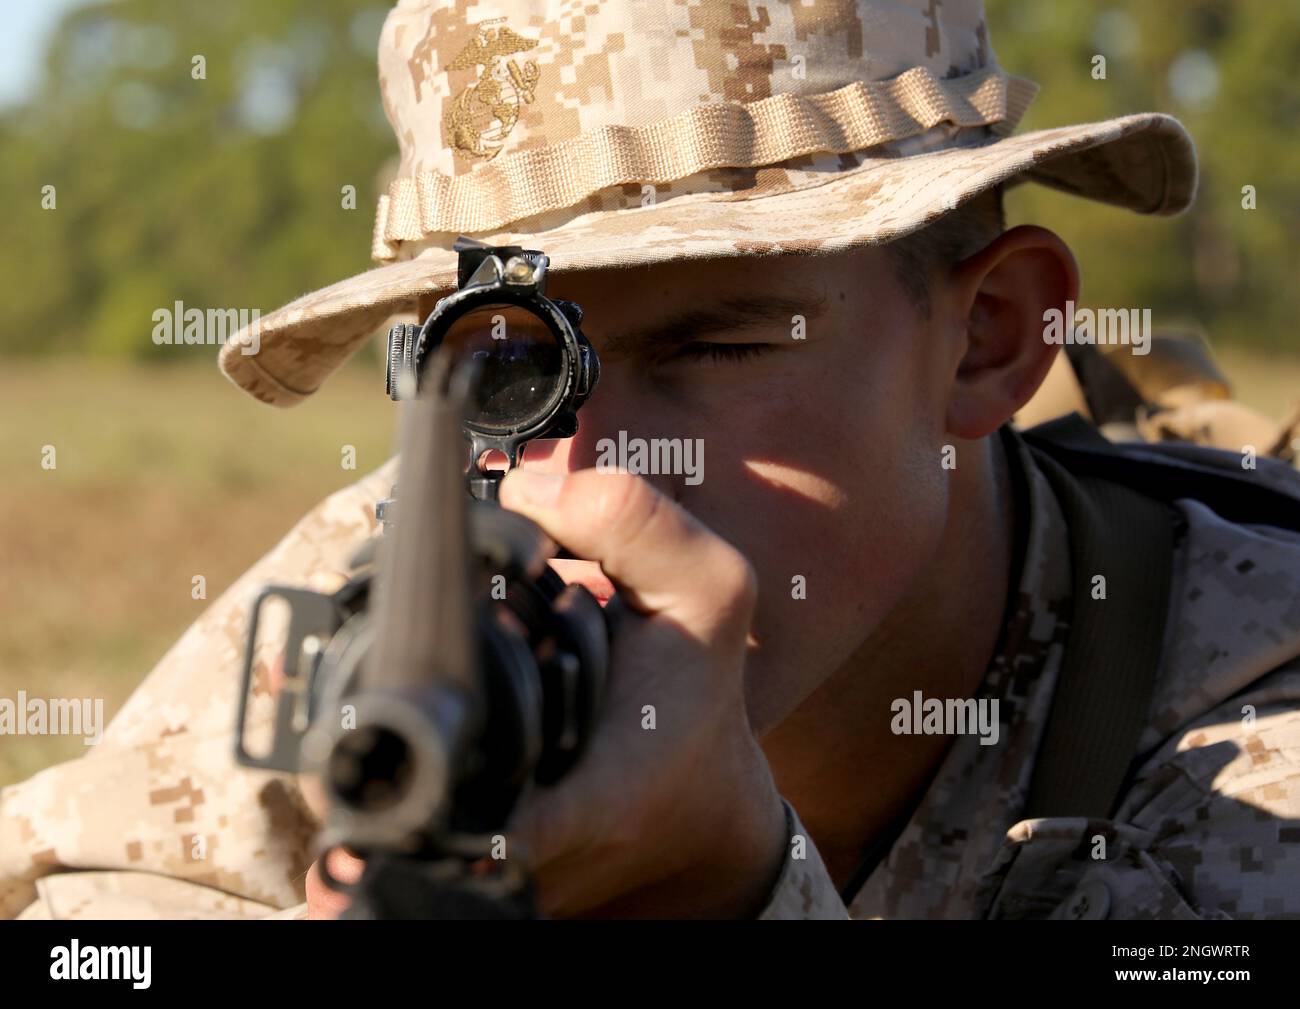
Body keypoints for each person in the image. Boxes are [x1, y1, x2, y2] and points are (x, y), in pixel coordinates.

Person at [3, 0, 1297, 920]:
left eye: (715, 346)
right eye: (512, 370)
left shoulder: (1253, 728)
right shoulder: (417, 611)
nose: (595, 476)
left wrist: (726, 891)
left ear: (986, 341)